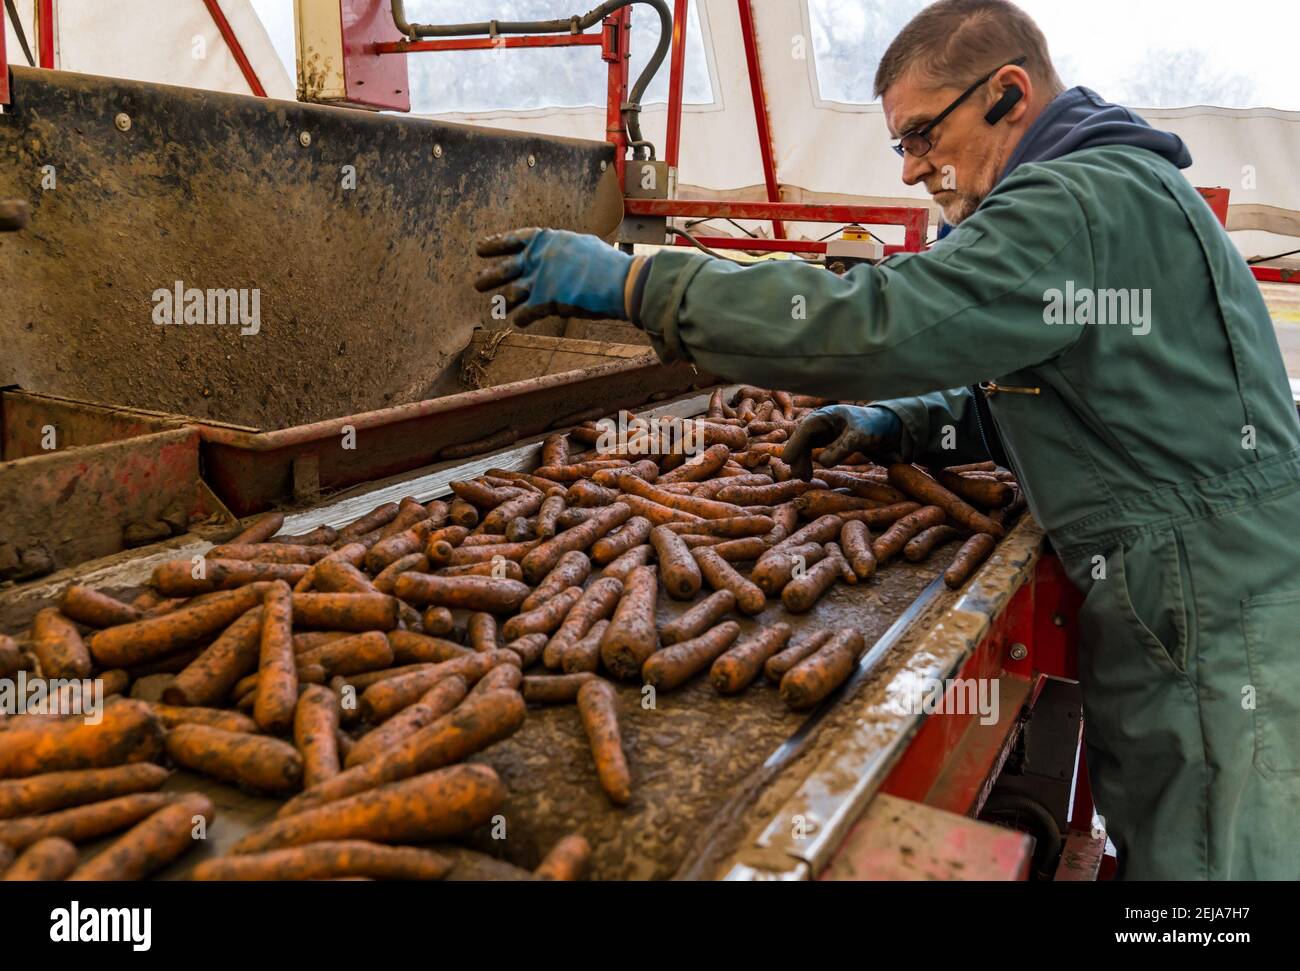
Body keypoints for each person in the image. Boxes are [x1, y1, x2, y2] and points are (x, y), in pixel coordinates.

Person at [473, 0, 1300, 880]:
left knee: (1216, 879)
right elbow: (1056, 388)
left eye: (919, 137)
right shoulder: (1113, 186)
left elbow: (881, 323)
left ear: (1007, 95)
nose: (911, 172)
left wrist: (645, 282)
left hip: (1211, 608)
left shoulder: (1075, 202)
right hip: (1195, 587)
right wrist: (901, 422)